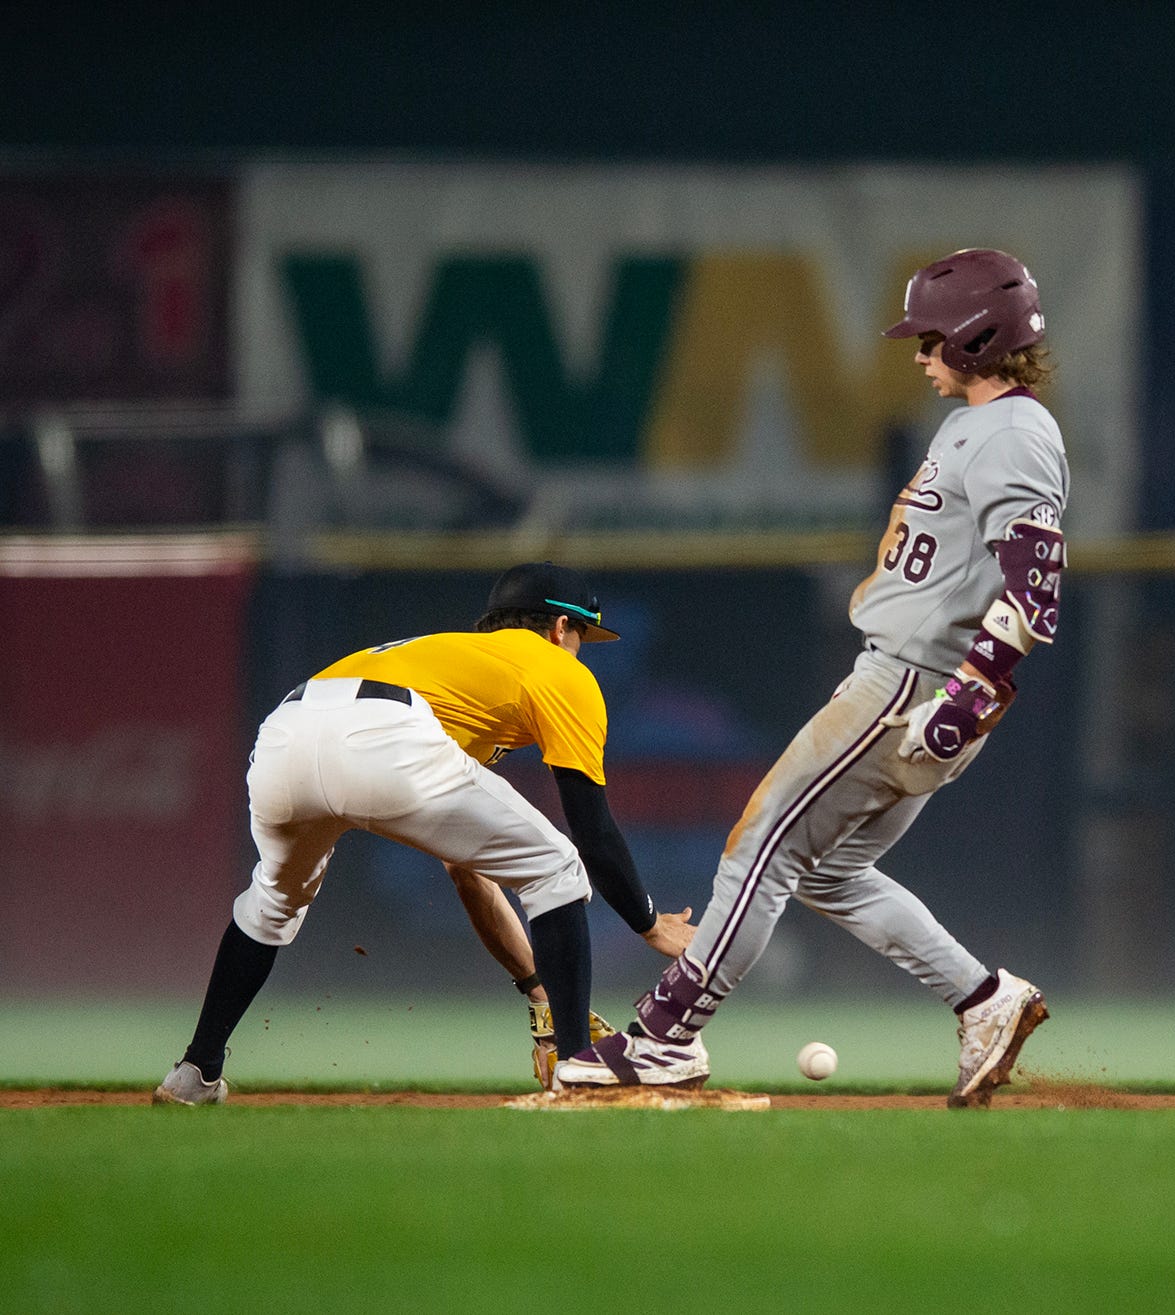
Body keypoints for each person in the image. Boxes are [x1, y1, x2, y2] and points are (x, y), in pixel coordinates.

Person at [558, 249, 1064, 1108]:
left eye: (932, 336)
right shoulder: (978, 424)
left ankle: (665, 1036)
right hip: (909, 678)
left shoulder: (1013, 432)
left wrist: (970, 693)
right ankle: (984, 999)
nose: (920, 353)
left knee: (758, 847)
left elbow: (1034, 589)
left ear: (978, 336)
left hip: (912, 684)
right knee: (825, 870)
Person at [153, 562, 693, 1104]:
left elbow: (466, 867)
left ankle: (194, 1073)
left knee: (271, 904)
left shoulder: (452, 666)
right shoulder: (557, 670)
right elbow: (592, 828)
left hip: (284, 734)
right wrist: (648, 923)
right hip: (384, 731)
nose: (580, 651)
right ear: (559, 628)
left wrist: (539, 991)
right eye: (581, 637)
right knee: (558, 865)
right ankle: (578, 1069)